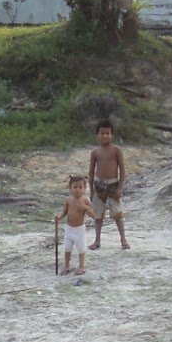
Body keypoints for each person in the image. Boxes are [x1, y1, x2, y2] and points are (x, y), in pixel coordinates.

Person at [86, 118, 130, 251]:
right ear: (97, 135)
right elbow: (91, 172)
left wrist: (120, 188)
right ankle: (97, 240)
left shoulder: (116, 150)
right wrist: (92, 191)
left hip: (113, 185)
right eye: (102, 133)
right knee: (98, 215)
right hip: (98, 185)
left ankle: (123, 239)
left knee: (117, 214)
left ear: (112, 135)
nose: (104, 136)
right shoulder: (95, 152)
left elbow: (122, 170)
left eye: (107, 133)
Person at [56, 175, 93, 277]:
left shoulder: (85, 201)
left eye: (80, 187)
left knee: (81, 248)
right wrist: (59, 218)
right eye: (75, 187)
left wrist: (85, 207)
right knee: (67, 247)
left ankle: (82, 266)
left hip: (79, 229)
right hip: (69, 229)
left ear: (84, 189)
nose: (77, 190)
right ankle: (67, 266)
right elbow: (65, 212)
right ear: (70, 189)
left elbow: (91, 214)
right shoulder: (68, 200)